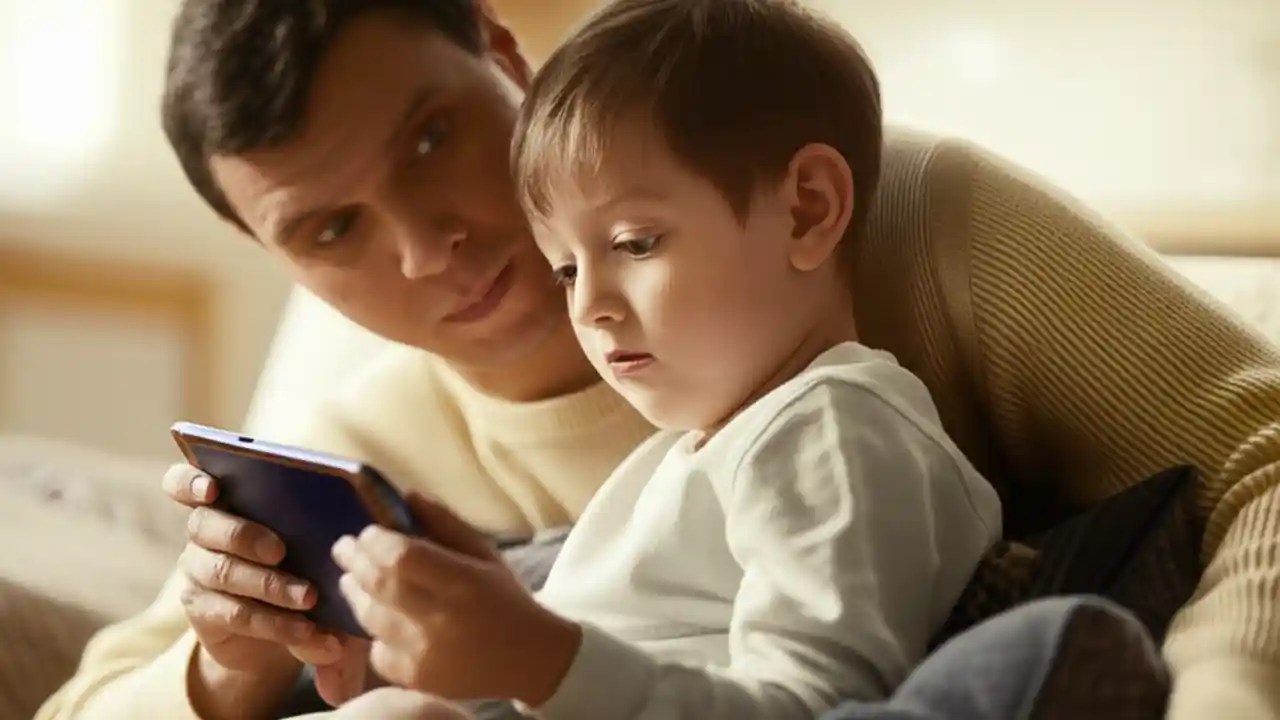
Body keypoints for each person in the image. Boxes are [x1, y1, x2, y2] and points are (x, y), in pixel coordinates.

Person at [35, 0, 1280, 718]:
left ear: (505, 60)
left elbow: (1258, 457)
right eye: (330, 229)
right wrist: (232, 665)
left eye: (428, 140)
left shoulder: (898, 222)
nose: (426, 246)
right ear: (275, 257)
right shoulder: (361, 453)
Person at [326, 0, 1001, 715]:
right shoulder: (687, 455)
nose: (588, 306)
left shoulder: (829, 434)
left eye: (634, 244)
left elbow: (815, 705)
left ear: (807, 209)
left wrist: (537, 657)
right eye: (566, 270)